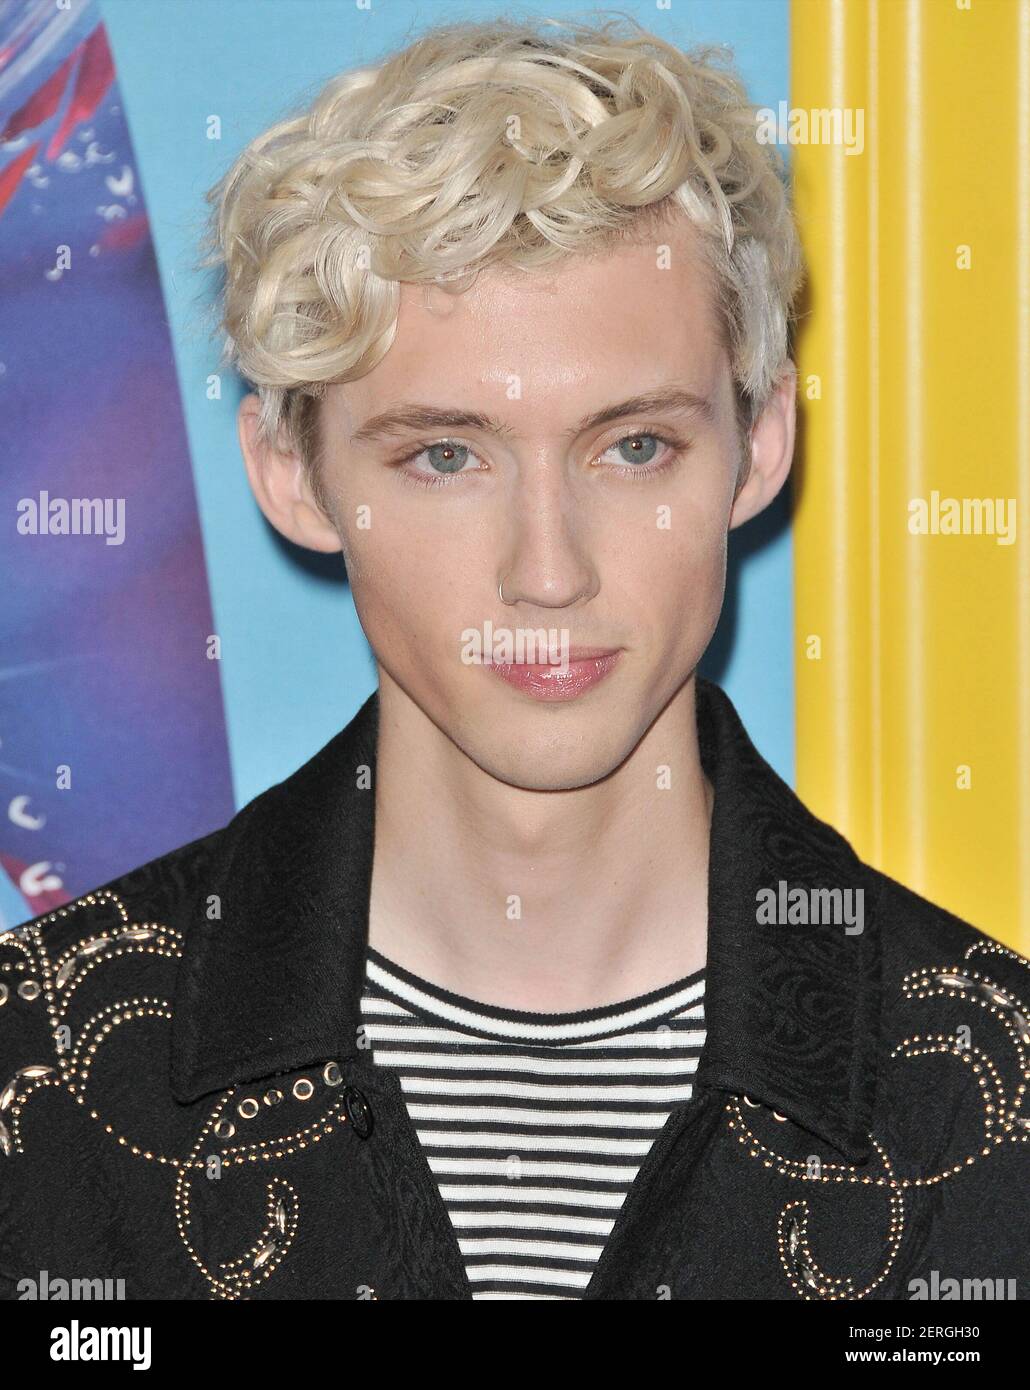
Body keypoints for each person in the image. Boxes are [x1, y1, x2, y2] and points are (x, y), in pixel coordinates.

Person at [2, 13, 1027, 1303]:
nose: (549, 572)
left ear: (760, 447)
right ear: (292, 473)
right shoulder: (34, 1074)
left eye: (634, 447)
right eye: (445, 455)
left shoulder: (991, 1093)